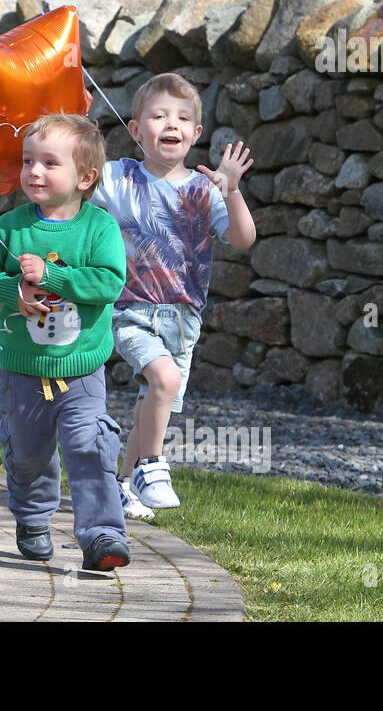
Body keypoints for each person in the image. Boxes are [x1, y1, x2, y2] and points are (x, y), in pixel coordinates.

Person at [0, 114, 131, 572]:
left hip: (80, 368)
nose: (34, 172)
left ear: (85, 177)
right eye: (28, 161)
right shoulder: (12, 227)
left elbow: (109, 282)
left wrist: (53, 275)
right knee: (30, 453)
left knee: (90, 446)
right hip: (22, 366)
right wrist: (12, 293)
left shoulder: (99, 228)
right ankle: (34, 517)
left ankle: (102, 535)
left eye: (49, 163)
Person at [91, 72, 256, 517]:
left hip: (183, 318)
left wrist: (233, 190)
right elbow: (73, 173)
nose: (171, 123)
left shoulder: (206, 189)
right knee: (164, 381)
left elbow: (243, 238)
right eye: (158, 115)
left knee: (152, 399)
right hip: (129, 309)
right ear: (135, 129)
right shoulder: (117, 178)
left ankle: (122, 486)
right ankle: (152, 464)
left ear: (195, 133)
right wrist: (80, 120)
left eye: (182, 117)